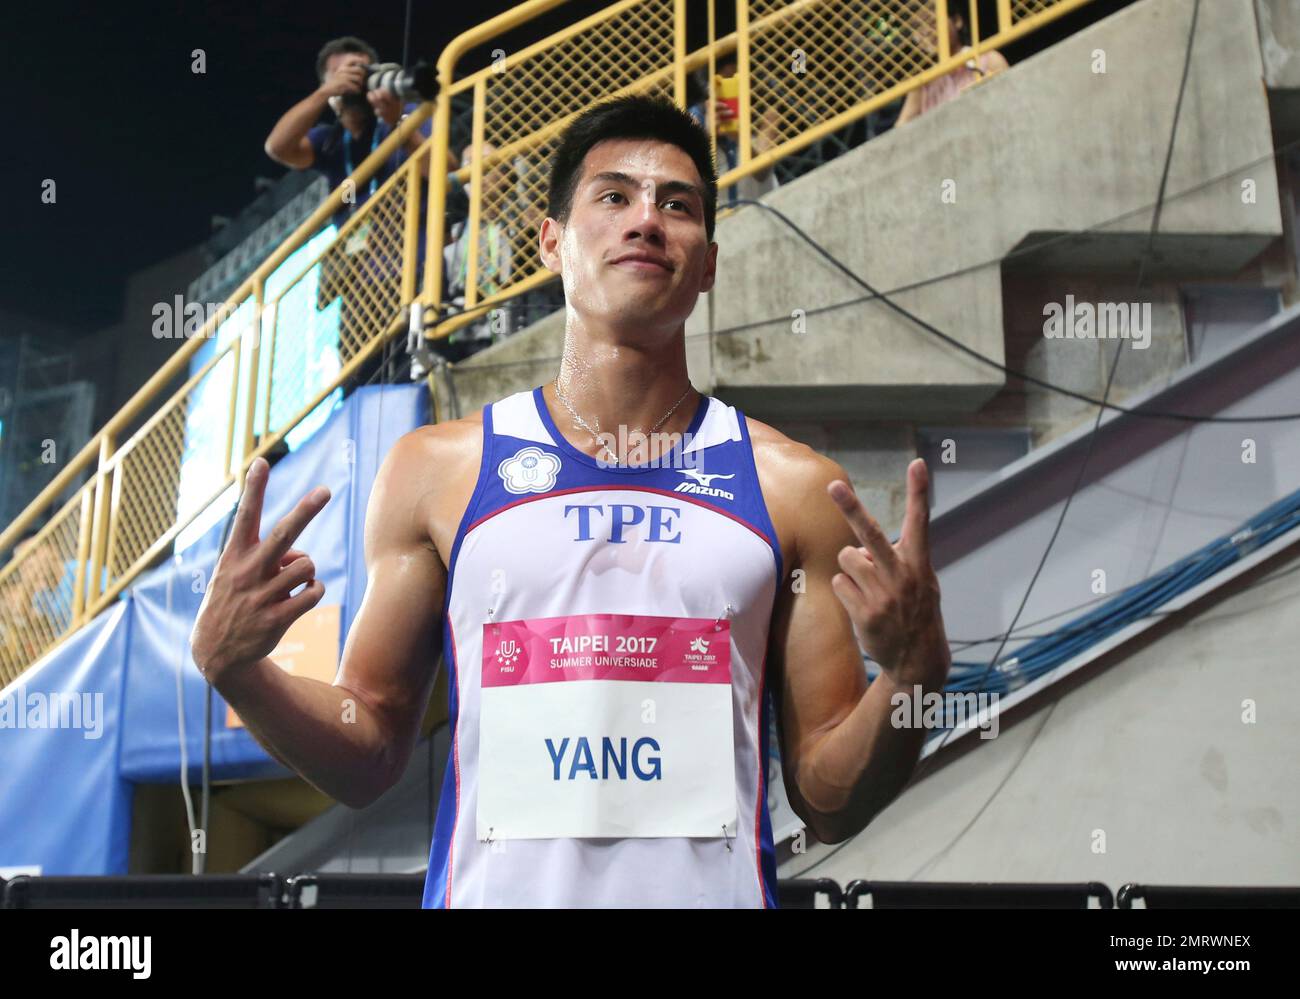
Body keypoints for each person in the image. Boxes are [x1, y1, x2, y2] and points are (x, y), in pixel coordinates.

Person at [189, 95, 953, 908]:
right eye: (615, 196)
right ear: (552, 241)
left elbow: (826, 799)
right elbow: (369, 748)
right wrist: (238, 672)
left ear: (710, 261)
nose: (647, 221)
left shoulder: (792, 486)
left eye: (678, 205)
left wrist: (913, 676)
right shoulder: (436, 472)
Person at [687, 55, 781, 208]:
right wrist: (709, 133)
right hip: (719, 214)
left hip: (762, 207)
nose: (733, 88)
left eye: (737, 79)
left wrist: (738, 135)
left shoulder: (766, 113)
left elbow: (762, 172)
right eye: (724, 81)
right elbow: (687, 170)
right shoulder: (697, 115)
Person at [895, 6, 1009, 125]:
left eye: (932, 21)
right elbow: (901, 130)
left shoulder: (988, 60)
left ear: (957, 21)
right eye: (918, 27)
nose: (926, 31)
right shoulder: (921, 86)